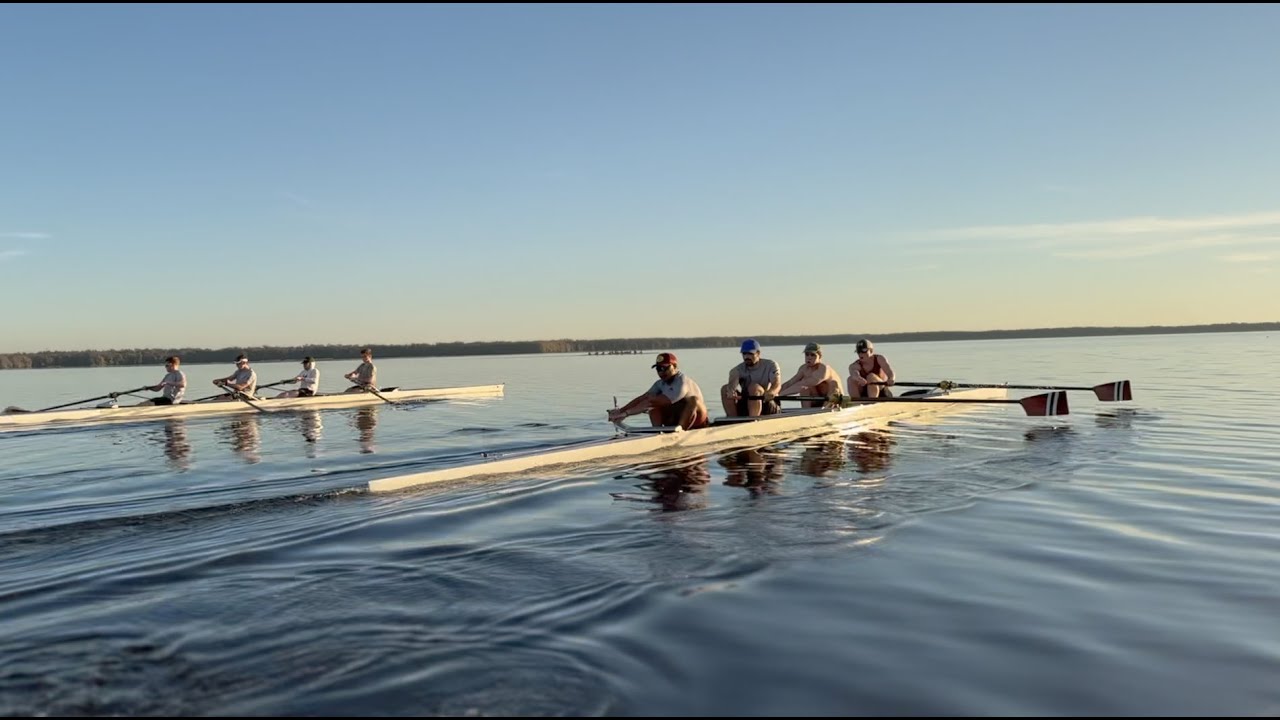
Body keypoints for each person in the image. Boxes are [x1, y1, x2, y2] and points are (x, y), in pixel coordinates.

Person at [608, 352, 710, 430]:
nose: (661, 372)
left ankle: (680, 431)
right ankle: (657, 431)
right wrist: (620, 411)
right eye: (658, 369)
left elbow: (654, 402)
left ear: (675, 367)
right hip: (676, 417)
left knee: (693, 400)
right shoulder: (659, 384)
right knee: (652, 401)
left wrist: (626, 414)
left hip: (698, 421)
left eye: (665, 368)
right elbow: (642, 399)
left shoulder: (682, 382)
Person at [721, 339, 782, 417]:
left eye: (750, 354)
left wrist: (772, 392)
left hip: (768, 403)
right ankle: (732, 420)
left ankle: (753, 420)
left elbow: (777, 384)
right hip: (747, 403)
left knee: (754, 387)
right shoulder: (737, 370)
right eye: (744, 354)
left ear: (758, 353)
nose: (746, 357)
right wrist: (730, 390)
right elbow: (732, 383)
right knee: (725, 389)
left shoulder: (771, 365)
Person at [778, 343, 845, 407]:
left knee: (834, 384)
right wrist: (774, 392)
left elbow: (806, 383)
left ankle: (825, 409)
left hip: (835, 401)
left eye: (813, 355)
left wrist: (780, 395)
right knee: (805, 389)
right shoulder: (803, 369)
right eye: (807, 354)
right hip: (817, 400)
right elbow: (790, 383)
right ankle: (806, 411)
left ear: (820, 356)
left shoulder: (824, 369)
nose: (809, 357)